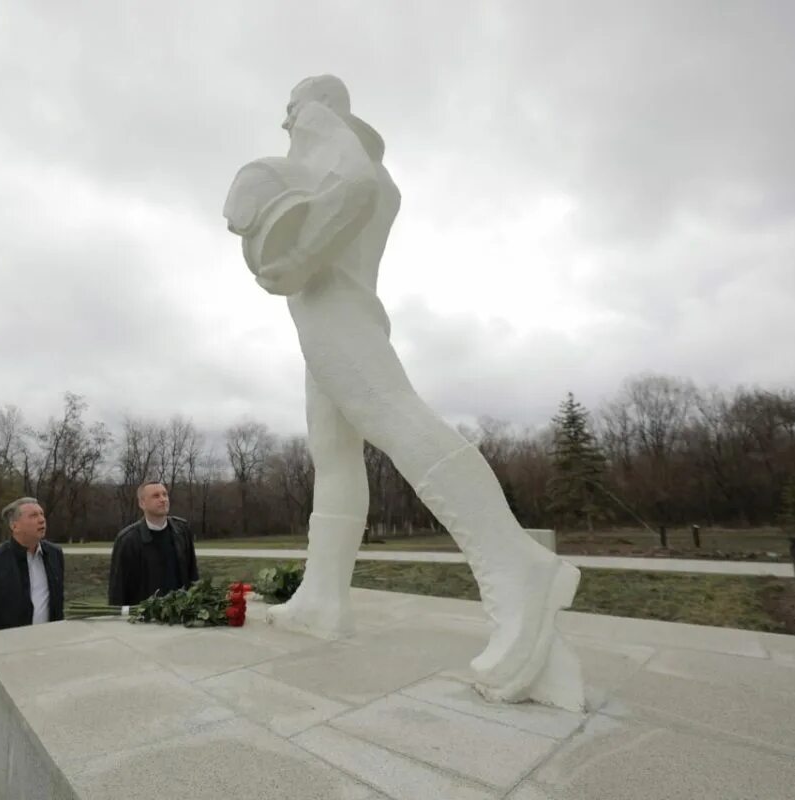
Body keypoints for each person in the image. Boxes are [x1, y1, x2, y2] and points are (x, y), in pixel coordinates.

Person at [222, 75, 581, 704]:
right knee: (334, 457)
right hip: (337, 313)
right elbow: (362, 186)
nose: (286, 120)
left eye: (292, 106)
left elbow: (353, 189)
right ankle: (324, 600)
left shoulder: (322, 131)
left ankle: (516, 567)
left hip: (335, 313)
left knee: (397, 419)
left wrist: (299, 254)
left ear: (323, 105)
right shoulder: (358, 162)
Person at [0, 497, 65, 657]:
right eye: (33, 516)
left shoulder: (54, 554)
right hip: (8, 654)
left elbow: (57, 604)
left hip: (47, 648)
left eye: (42, 514)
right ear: (14, 526)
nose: (42, 519)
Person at [108, 481, 199, 606]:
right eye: (156, 496)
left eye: (165, 494)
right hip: (142, 618)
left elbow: (193, 576)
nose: (163, 499)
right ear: (142, 503)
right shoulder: (127, 540)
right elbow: (117, 589)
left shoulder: (181, 531)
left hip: (179, 615)